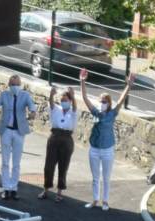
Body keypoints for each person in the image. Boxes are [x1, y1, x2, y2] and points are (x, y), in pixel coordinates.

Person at [78, 69, 130, 210]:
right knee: (95, 177)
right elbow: (85, 98)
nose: (102, 103)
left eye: (105, 101)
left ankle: (105, 201)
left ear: (109, 103)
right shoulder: (96, 112)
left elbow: (121, 100)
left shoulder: (112, 114)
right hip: (94, 149)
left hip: (107, 150)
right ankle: (95, 199)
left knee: (106, 177)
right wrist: (82, 81)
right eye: (101, 101)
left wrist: (128, 85)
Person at [0, 75, 36, 199]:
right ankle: (6, 188)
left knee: (16, 162)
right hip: (6, 131)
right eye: (12, 84)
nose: (15, 87)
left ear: (20, 85)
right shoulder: (4, 95)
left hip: (19, 131)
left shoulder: (25, 95)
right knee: (5, 161)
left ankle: (13, 188)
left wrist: (32, 112)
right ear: (9, 85)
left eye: (17, 84)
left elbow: (32, 106)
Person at [42, 88, 76, 201]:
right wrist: (51, 95)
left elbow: (75, 108)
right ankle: (46, 189)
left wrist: (73, 96)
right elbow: (51, 104)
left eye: (66, 100)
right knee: (49, 166)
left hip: (66, 138)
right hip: (55, 136)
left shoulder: (73, 111)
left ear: (70, 101)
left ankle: (59, 192)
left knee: (63, 166)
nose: (63, 102)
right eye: (62, 100)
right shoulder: (57, 109)